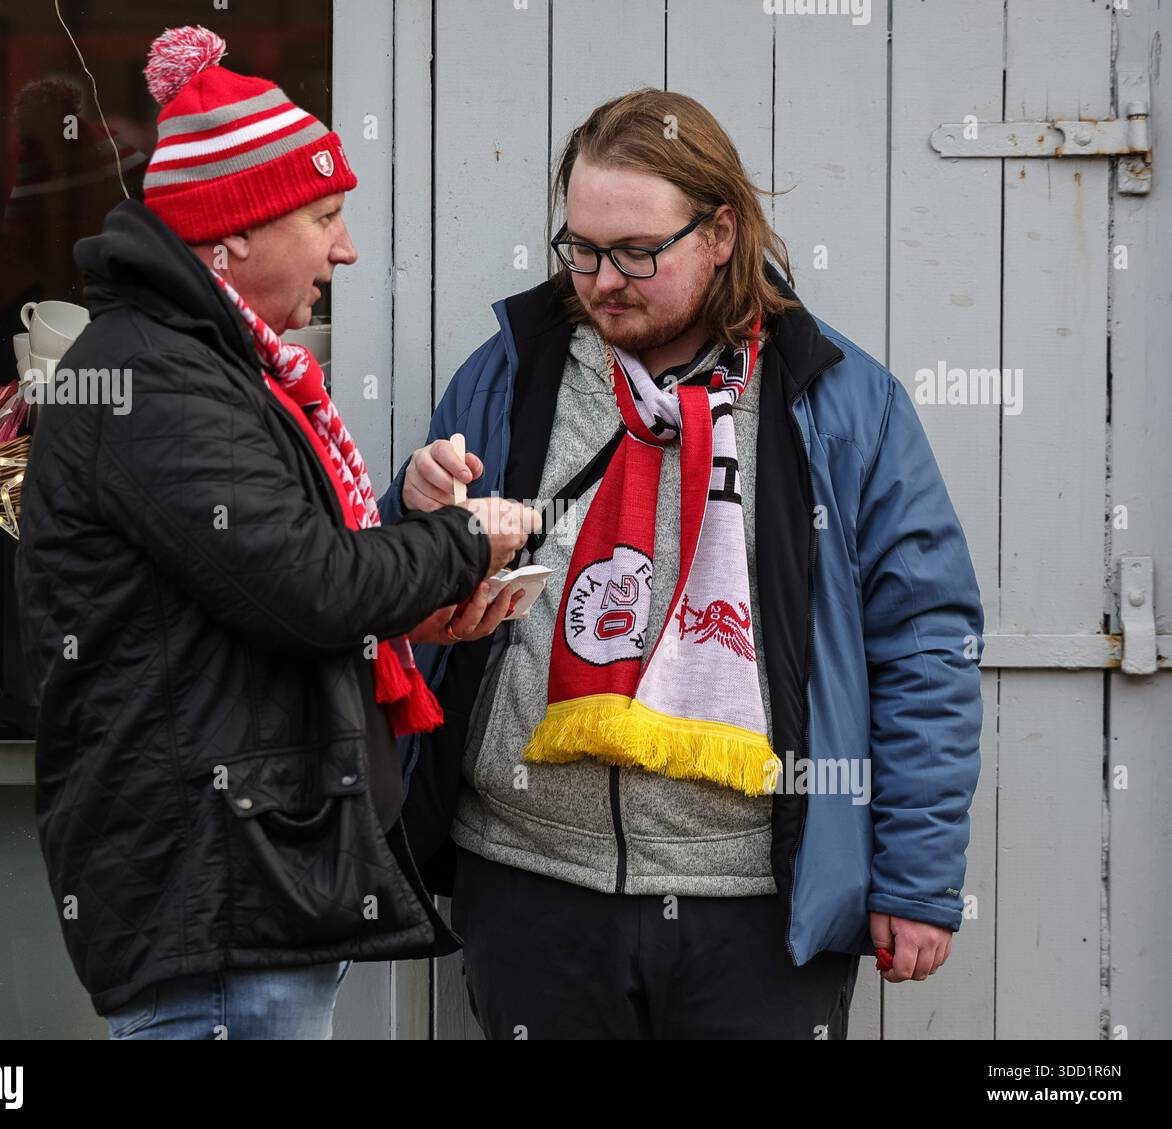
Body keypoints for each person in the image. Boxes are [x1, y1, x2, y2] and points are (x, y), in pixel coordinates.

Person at [380, 88, 984, 1040]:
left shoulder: (837, 402)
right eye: (579, 248)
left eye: (635, 253)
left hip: (754, 904)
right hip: (532, 881)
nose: (602, 280)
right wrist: (410, 513)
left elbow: (923, 646)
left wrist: (916, 878)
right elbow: (403, 591)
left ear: (721, 232)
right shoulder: (512, 370)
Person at [15, 26, 537, 1040]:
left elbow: (257, 582)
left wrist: (408, 545)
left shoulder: (194, 365)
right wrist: (463, 539)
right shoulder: (161, 382)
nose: (345, 248)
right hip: (220, 906)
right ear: (234, 236)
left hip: (244, 893)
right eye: (327, 216)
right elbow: (303, 583)